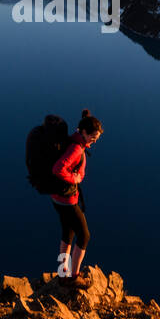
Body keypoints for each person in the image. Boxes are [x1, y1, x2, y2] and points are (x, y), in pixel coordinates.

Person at [50, 109, 103, 287]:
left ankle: (62, 273)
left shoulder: (75, 139)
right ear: (84, 132)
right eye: (93, 137)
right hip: (67, 201)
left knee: (68, 233)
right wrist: (75, 178)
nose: (94, 141)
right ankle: (73, 277)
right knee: (84, 235)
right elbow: (58, 169)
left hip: (58, 198)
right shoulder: (75, 148)